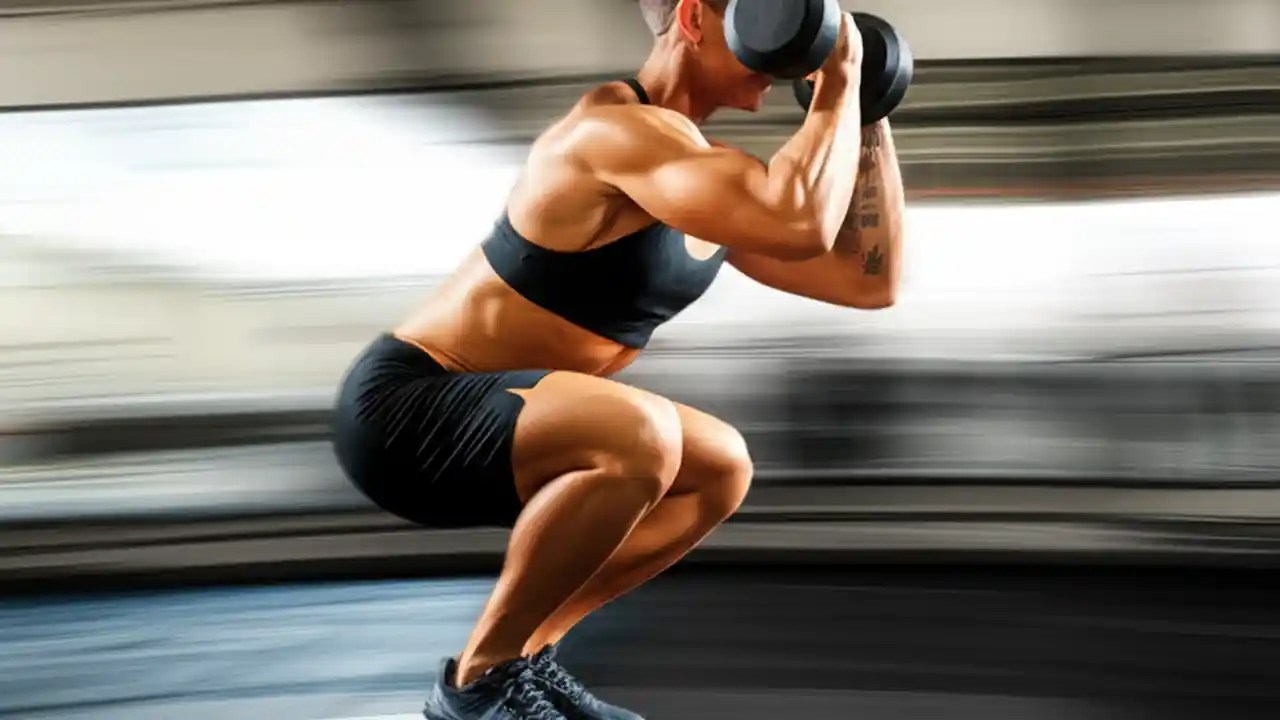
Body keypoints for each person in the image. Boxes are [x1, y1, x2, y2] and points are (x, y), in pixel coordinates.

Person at [332, 0, 905, 718]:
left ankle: (523, 661)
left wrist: (873, 107)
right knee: (643, 440)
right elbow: (797, 219)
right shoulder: (612, 133)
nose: (781, 47)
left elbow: (868, 280)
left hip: (501, 422)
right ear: (695, 19)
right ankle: (476, 686)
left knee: (719, 466)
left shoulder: (701, 177)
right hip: (404, 413)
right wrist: (840, 76)